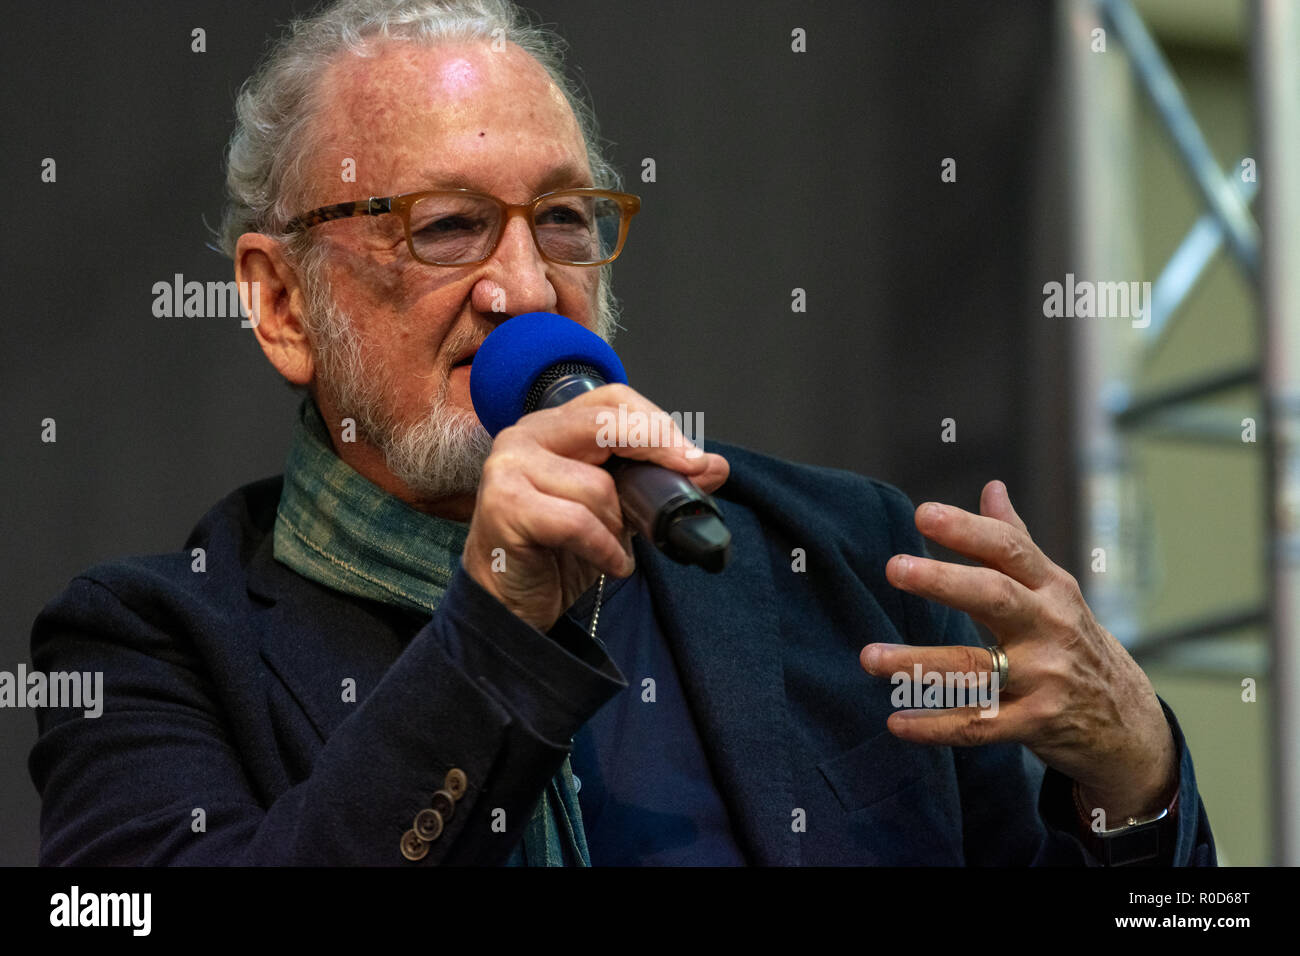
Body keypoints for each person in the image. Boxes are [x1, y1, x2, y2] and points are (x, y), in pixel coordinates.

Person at [29, 0, 1214, 866]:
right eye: (446, 228)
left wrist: (1134, 781)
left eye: (560, 218)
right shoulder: (151, 645)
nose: (526, 288)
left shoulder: (848, 553)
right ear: (282, 302)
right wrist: (492, 628)